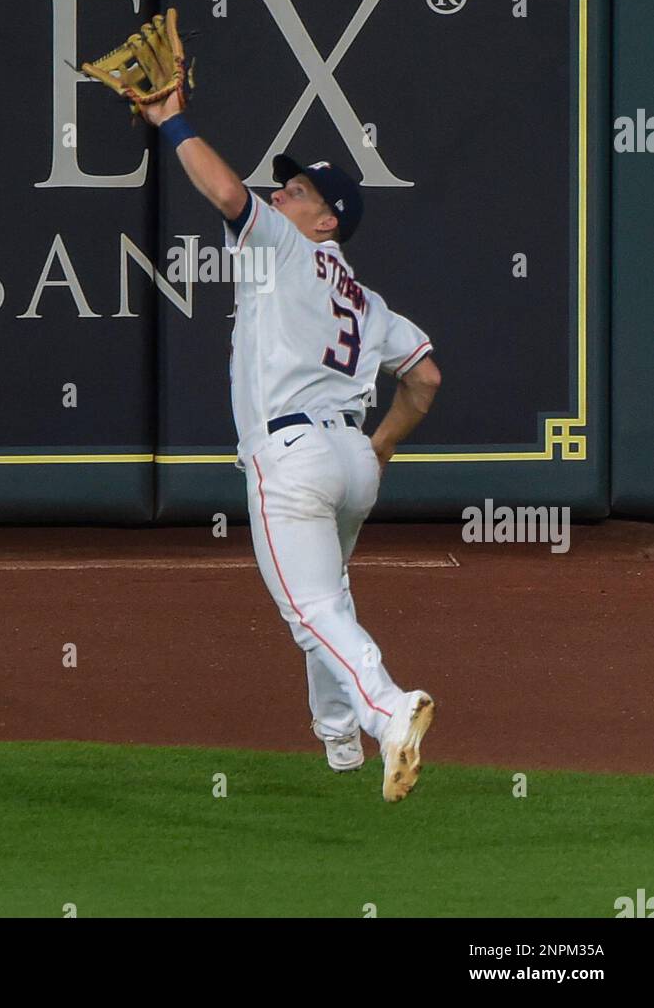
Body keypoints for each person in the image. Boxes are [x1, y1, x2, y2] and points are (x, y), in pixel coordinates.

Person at [146, 90, 441, 802]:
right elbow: (425, 376)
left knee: (309, 610)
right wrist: (381, 448)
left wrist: (171, 120)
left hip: (293, 460)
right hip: (349, 460)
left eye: (297, 189)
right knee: (330, 595)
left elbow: (222, 190)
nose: (278, 192)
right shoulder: (368, 303)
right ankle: (338, 735)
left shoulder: (282, 244)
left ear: (326, 219)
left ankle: (385, 708)